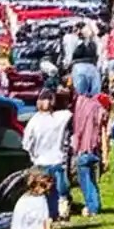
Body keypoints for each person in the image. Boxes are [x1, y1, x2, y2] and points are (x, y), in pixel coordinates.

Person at [21, 89, 72, 220]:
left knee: (41, 192)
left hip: (40, 162)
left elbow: (26, 143)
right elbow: (70, 110)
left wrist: (32, 155)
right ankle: (56, 214)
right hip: (56, 160)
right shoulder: (61, 118)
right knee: (58, 192)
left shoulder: (33, 121)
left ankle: (46, 216)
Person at [70, 87, 110, 218]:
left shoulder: (80, 107)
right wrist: (105, 155)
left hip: (83, 150)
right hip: (95, 150)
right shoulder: (100, 110)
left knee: (86, 181)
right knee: (93, 180)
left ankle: (93, 206)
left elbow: (77, 132)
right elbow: (104, 134)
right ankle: (95, 203)